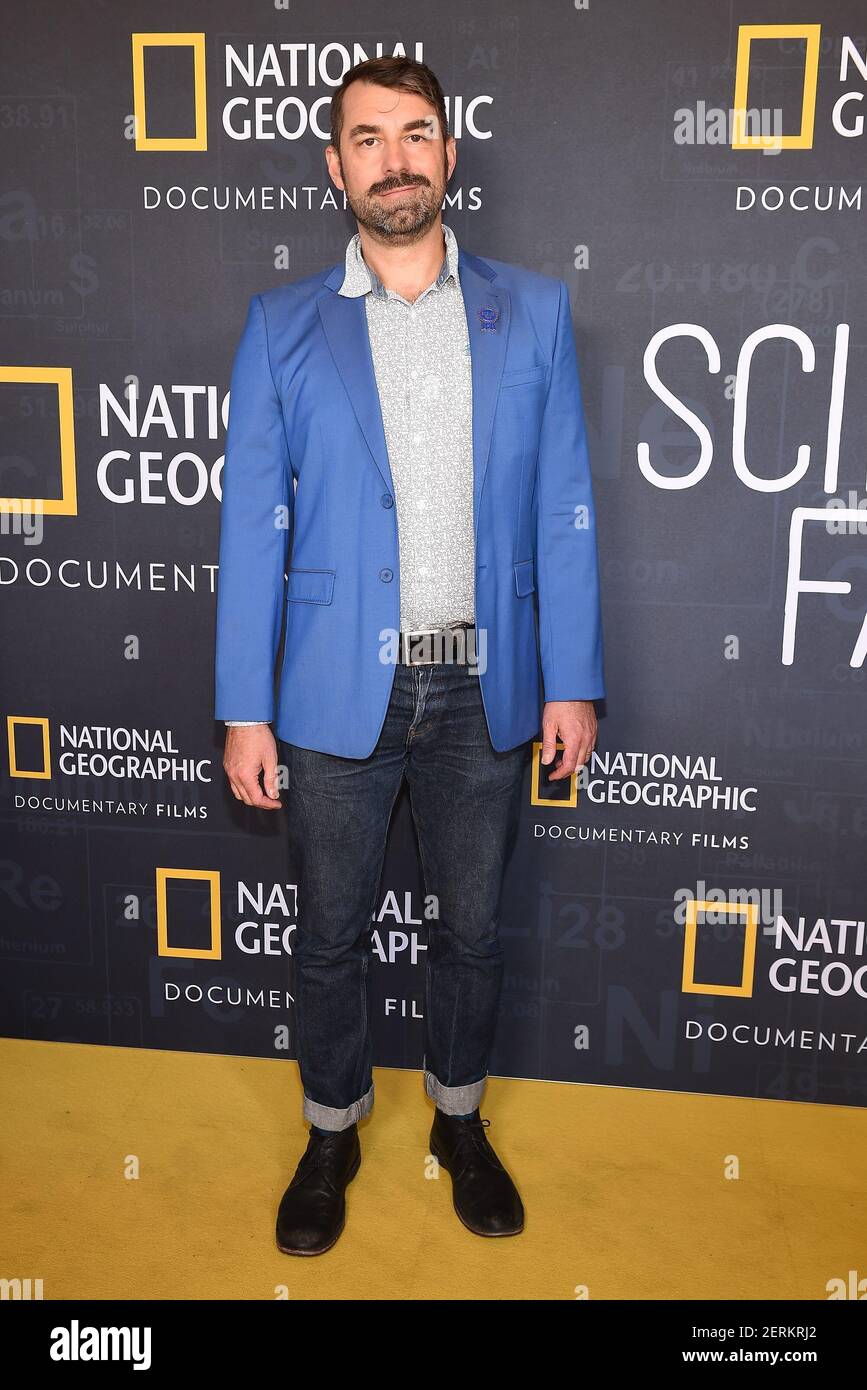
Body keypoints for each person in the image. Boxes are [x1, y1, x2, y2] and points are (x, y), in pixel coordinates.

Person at [214, 55, 605, 1255]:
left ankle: (459, 1122)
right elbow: (250, 530)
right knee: (328, 934)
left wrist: (573, 679)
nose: (395, 157)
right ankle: (332, 1129)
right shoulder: (281, 326)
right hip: (332, 692)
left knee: (473, 931)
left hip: (483, 688)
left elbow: (565, 505)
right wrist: (244, 707)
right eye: (368, 138)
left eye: (416, 133)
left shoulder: (532, 312)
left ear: (451, 155)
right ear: (337, 167)